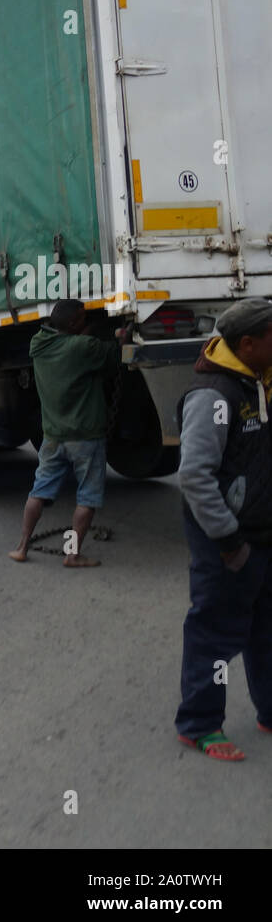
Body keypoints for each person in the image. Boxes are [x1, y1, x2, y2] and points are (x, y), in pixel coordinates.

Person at [174, 297, 272, 762]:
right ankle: (199, 724)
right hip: (226, 541)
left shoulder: (261, 383)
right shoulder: (214, 397)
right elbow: (194, 476)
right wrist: (230, 543)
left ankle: (269, 710)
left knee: (267, 629)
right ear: (249, 344)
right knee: (215, 635)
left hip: (263, 533)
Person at [9, 299, 117, 567]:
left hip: (53, 436)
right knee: (86, 498)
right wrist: (121, 337)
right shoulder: (84, 347)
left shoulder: (38, 345)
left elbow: (66, 341)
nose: (85, 321)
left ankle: (22, 547)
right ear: (73, 324)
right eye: (82, 318)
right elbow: (112, 355)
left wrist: (82, 332)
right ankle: (72, 553)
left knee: (39, 492)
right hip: (85, 437)